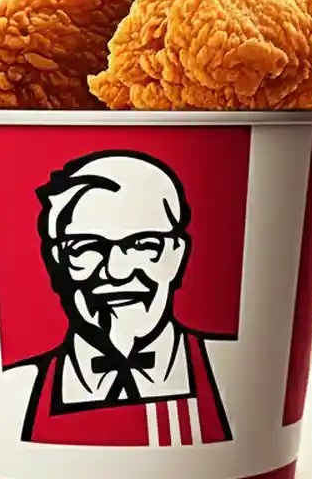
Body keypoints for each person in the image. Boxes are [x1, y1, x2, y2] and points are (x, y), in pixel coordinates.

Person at [13, 150, 231, 446]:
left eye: (143, 244)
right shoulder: (16, 388)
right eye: (87, 247)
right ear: (56, 261)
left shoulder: (232, 369)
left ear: (177, 255)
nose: (117, 271)